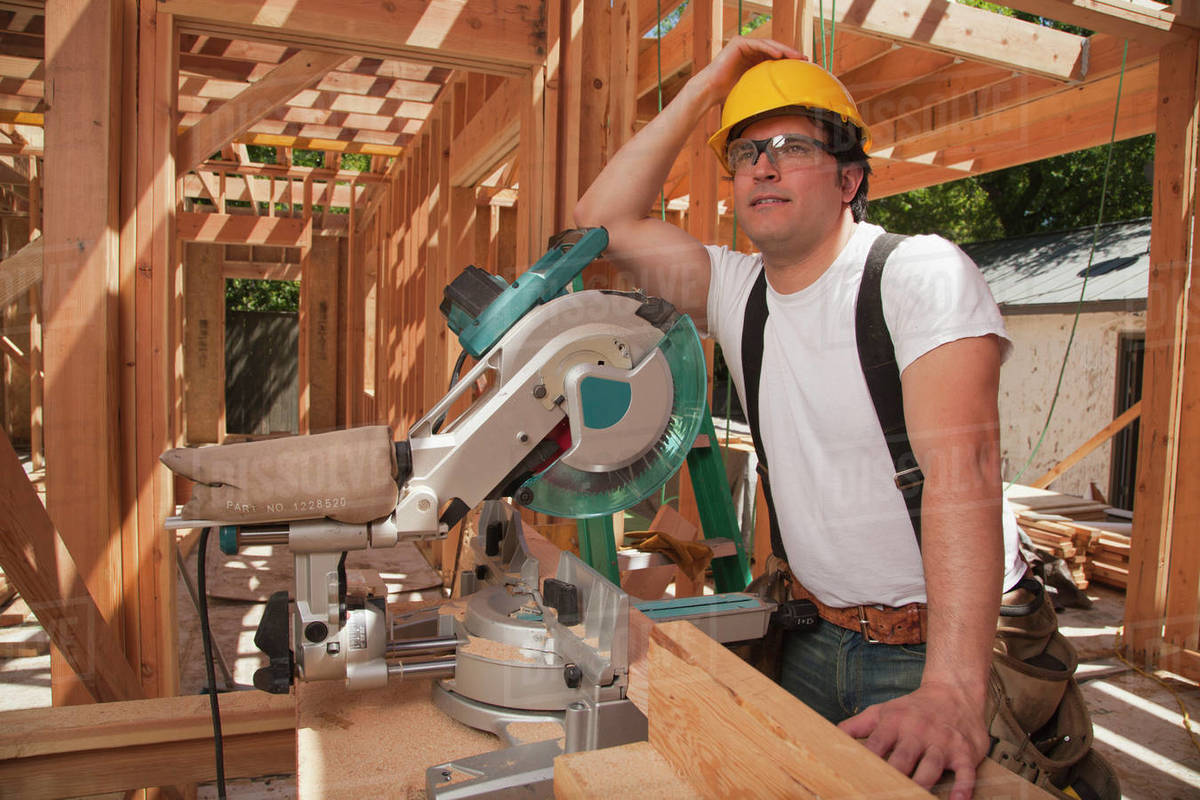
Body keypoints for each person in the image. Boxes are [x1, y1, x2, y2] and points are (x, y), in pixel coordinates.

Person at [574, 37, 1028, 800]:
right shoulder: (736, 290)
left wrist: (953, 690)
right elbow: (602, 219)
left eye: (793, 147)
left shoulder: (917, 274)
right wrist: (706, 86)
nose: (763, 164)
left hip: (941, 652)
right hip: (813, 637)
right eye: (747, 150)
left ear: (851, 179)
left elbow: (965, 474)